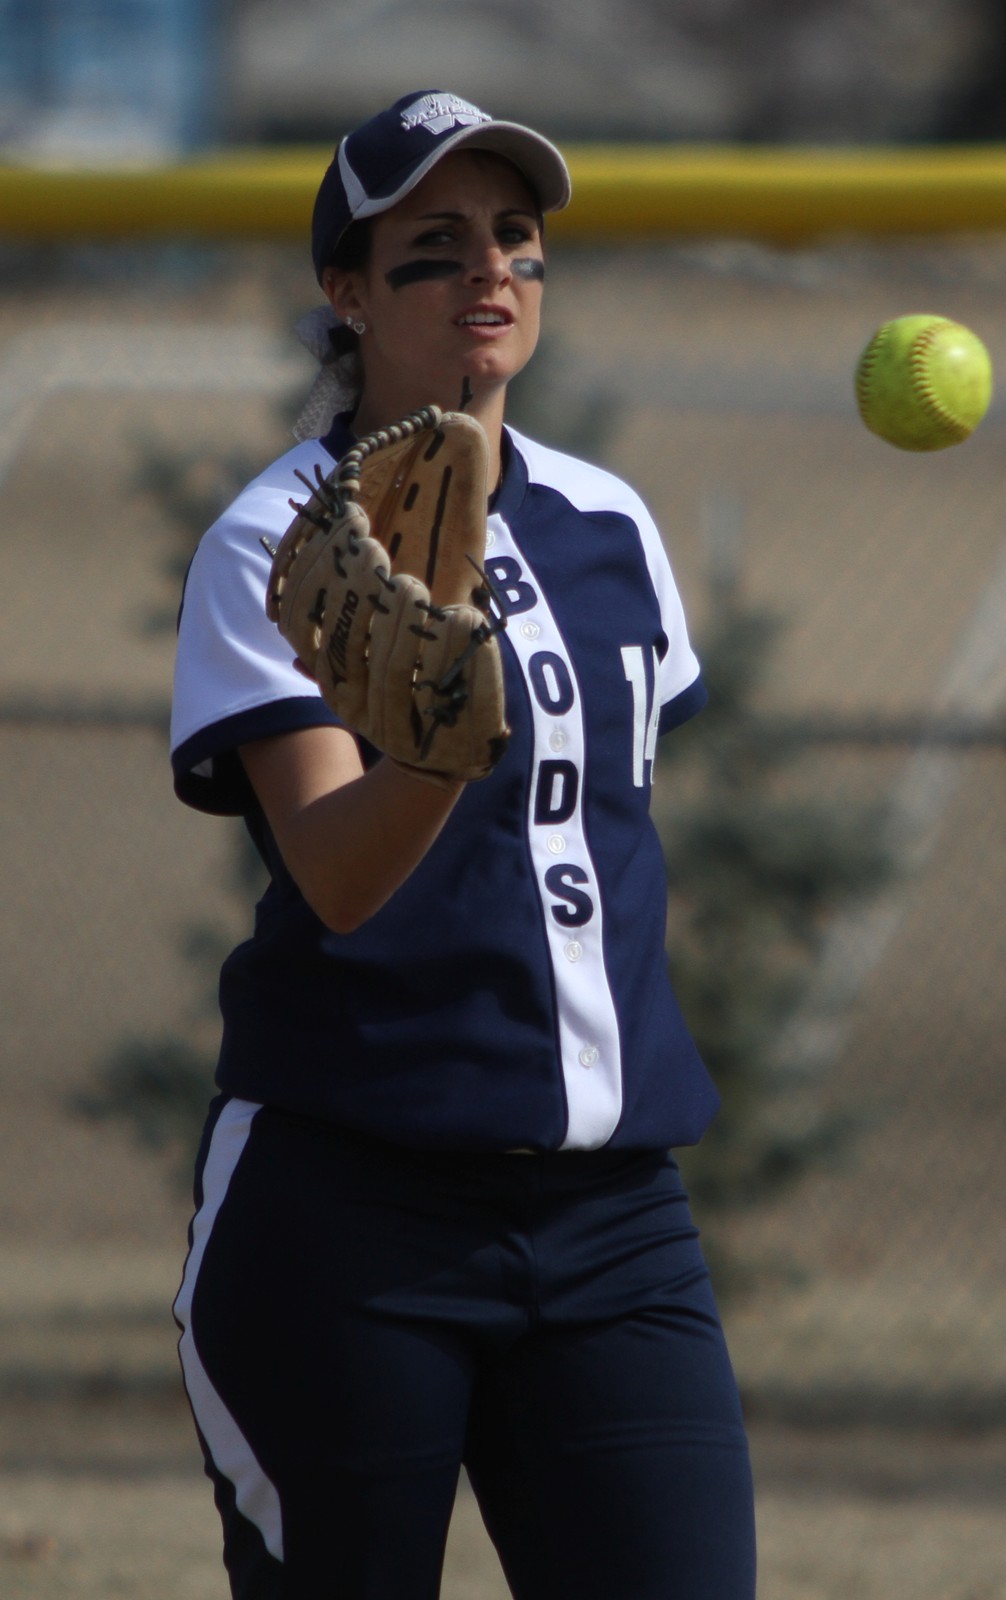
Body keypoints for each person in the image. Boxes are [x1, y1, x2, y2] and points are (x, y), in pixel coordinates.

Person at [170, 89, 757, 1600]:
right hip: (353, 1211)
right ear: (348, 292)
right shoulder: (282, 540)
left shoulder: (608, 521)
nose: (490, 268)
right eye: (432, 245)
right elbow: (340, 880)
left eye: (514, 235)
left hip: (614, 1216)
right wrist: (437, 743)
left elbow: (594, 850)